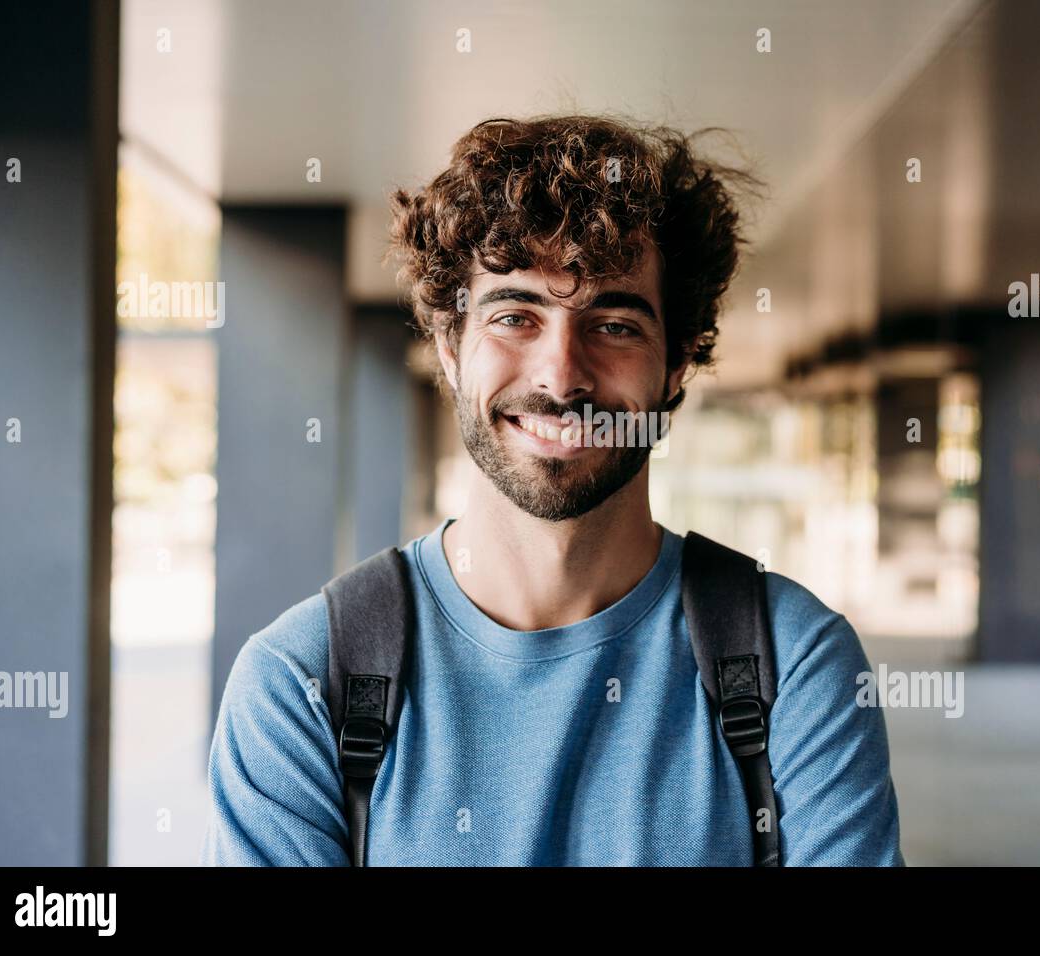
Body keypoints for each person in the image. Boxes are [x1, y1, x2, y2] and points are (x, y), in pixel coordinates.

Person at [200, 114, 904, 866]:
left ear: (678, 366)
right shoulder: (302, 684)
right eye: (514, 317)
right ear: (449, 346)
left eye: (615, 325)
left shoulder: (793, 664)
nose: (561, 374)